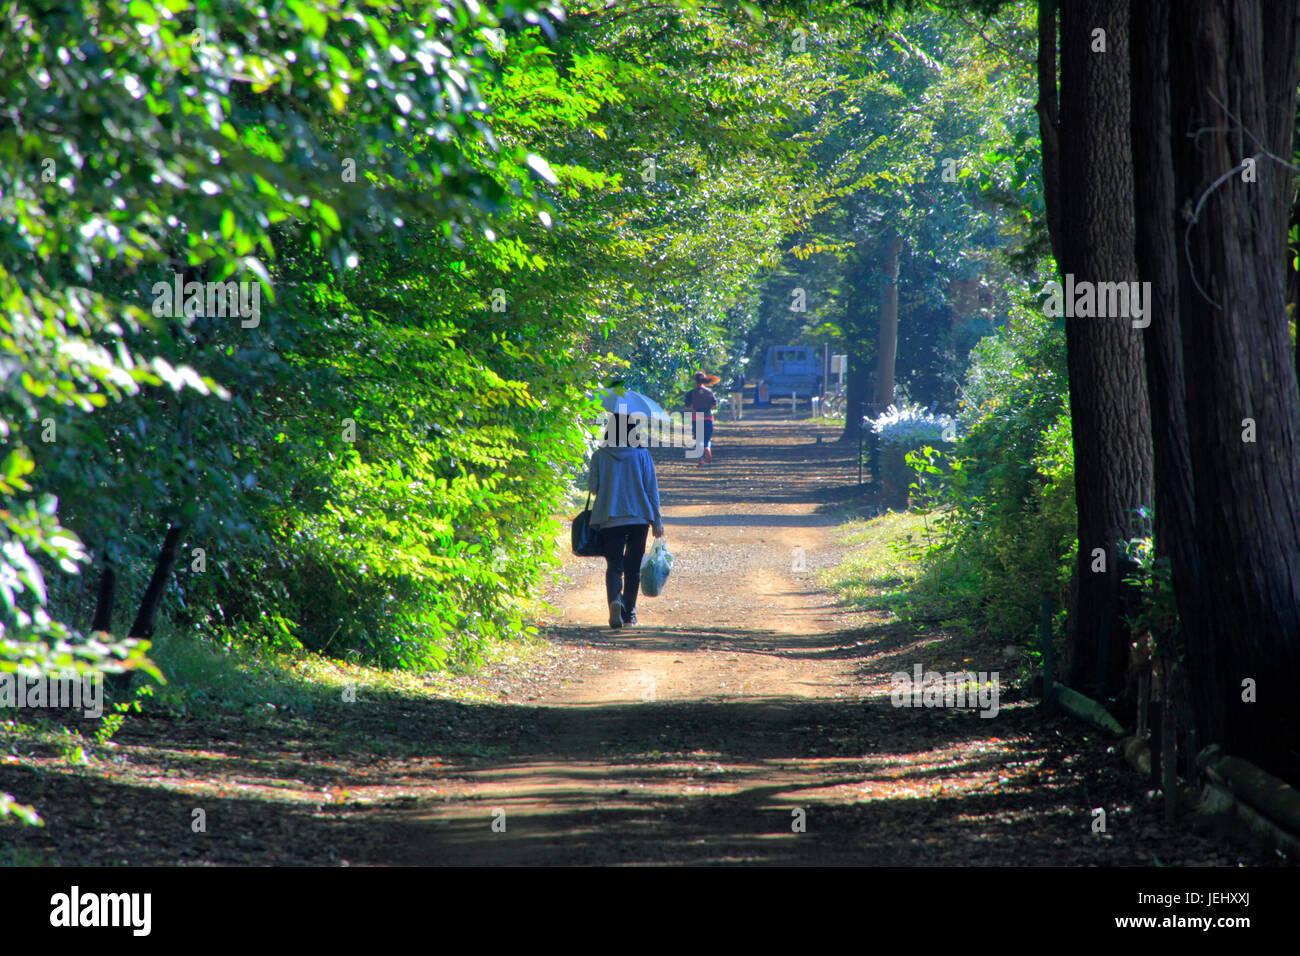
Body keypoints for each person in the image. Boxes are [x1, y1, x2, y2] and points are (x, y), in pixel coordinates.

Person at [588, 413, 665, 629]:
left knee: (614, 565)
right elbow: (651, 489)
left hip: (610, 518)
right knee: (633, 567)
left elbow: (593, 488)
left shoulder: (600, 455)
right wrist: (657, 519)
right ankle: (629, 613)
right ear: (633, 430)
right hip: (639, 517)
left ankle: (615, 600)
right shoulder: (642, 454)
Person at [684, 371, 719, 463]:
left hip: (697, 417)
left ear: (695, 381)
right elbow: (714, 405)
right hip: (708, 417)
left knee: (699, 439)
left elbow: (687, 406)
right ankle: (707, 447)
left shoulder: (691, 393)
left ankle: (701, 459)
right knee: (707, 439)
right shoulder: (709, 392)